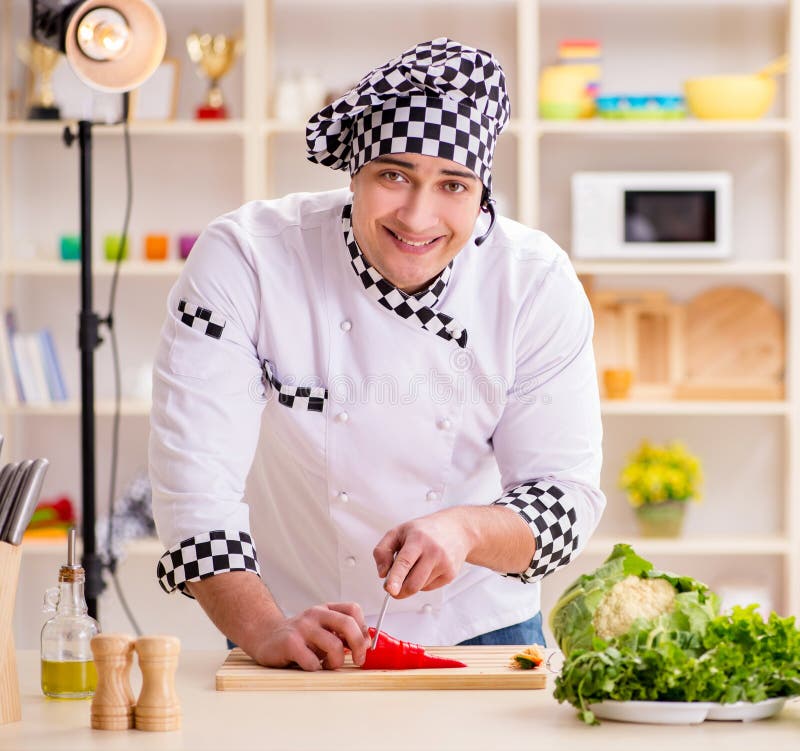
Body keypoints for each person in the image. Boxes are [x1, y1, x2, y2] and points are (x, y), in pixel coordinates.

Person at [149, 38, 605, 672]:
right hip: (287, 626)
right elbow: (195, 489)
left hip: (482, 629)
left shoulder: (532, 281)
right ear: (354, 174)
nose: (419, 215)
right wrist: (263, 629)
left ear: (482, 197)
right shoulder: (249, 258)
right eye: (394, 175)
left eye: (453, 184)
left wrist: (466, 530)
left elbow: (567, 496)